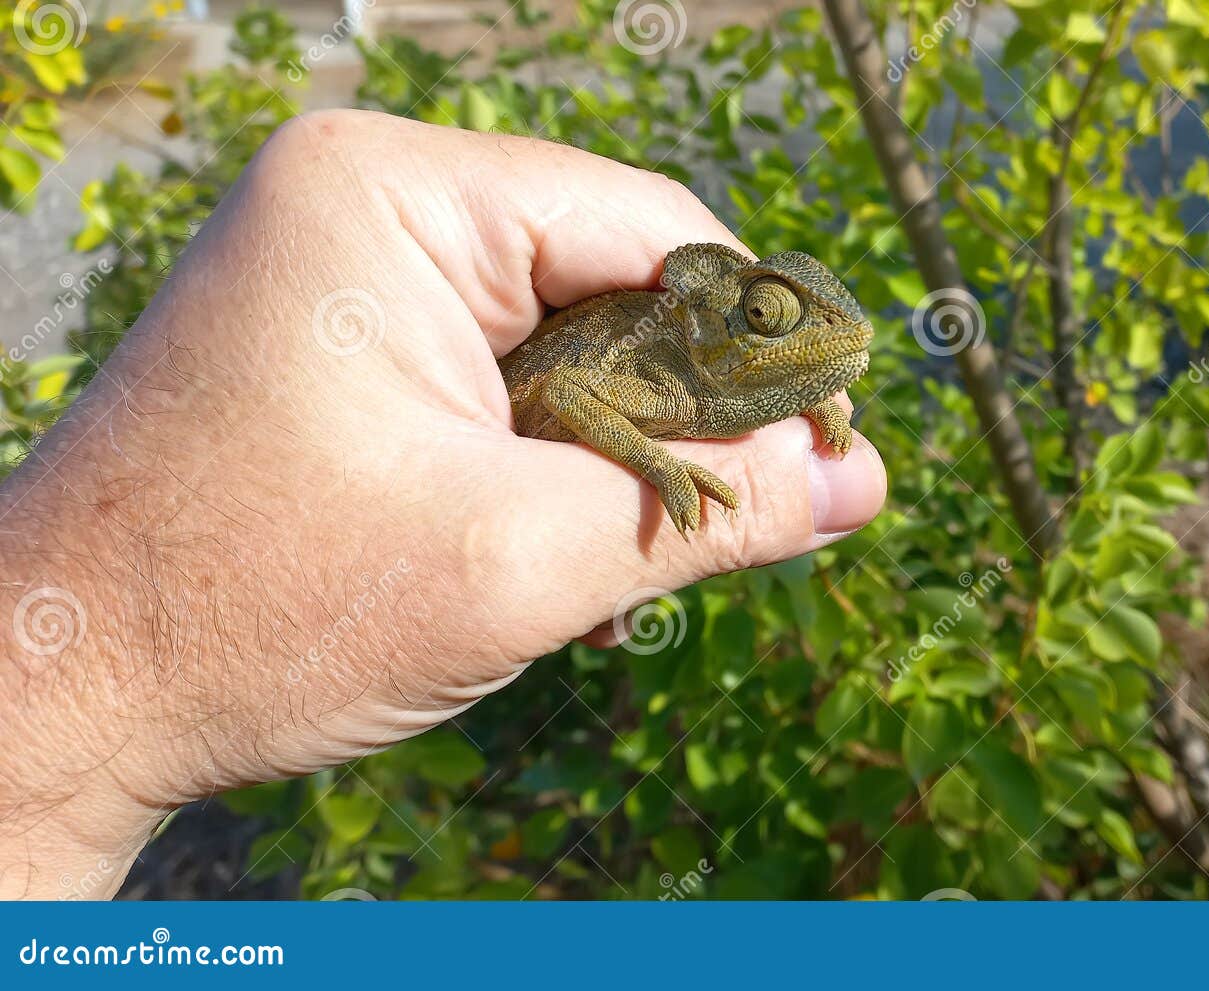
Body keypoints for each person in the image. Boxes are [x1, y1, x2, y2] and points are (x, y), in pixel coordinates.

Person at [0, 111, 887, 899]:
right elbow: (573, 400)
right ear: (710, 323)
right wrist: (653, 461)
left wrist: (819, 387)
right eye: (769, 314)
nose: (781, 333)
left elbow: (809, 359)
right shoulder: (667, 370)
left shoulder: (721, 371)